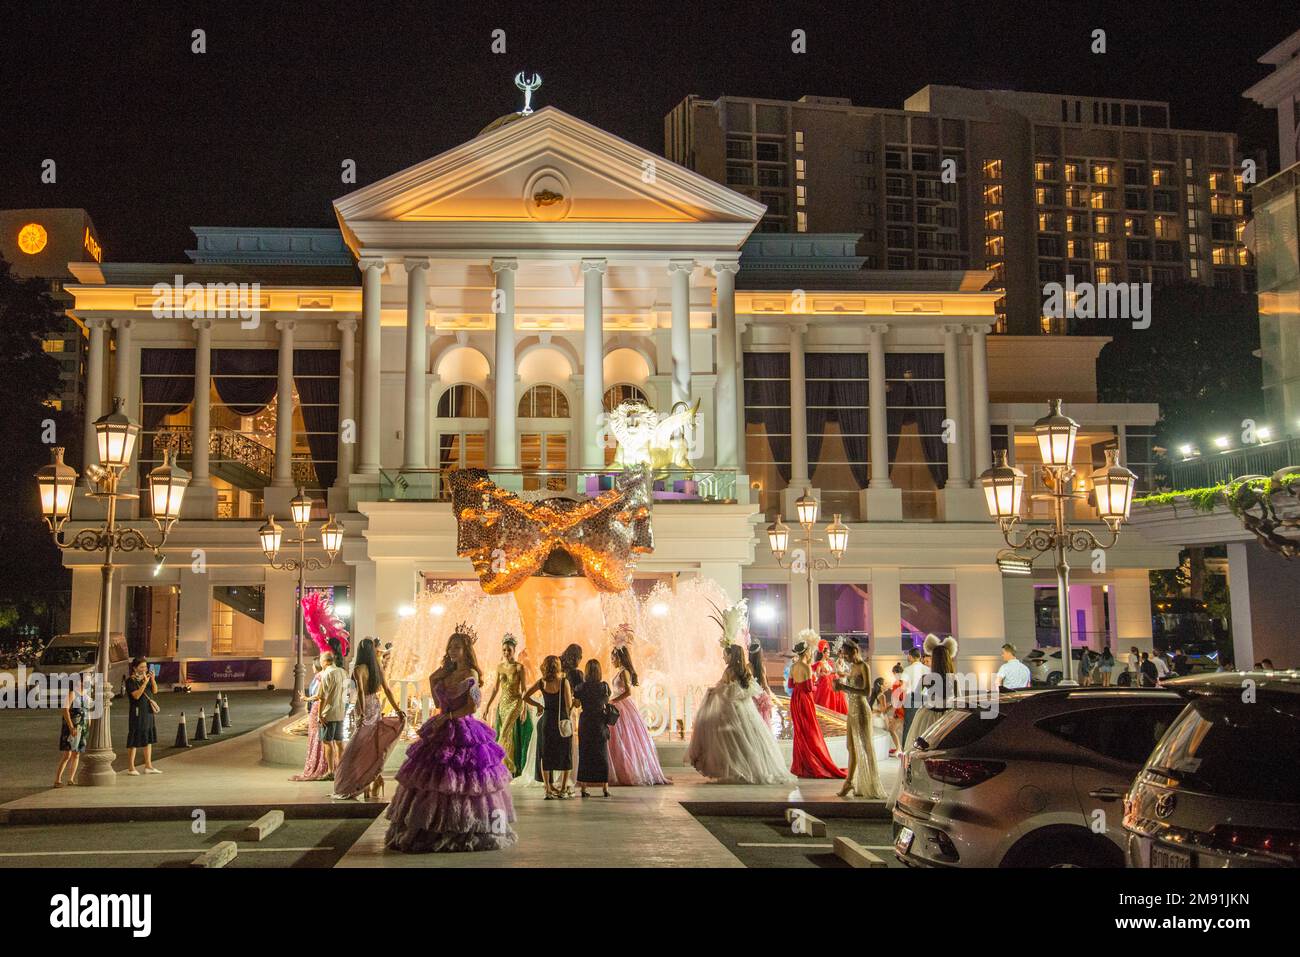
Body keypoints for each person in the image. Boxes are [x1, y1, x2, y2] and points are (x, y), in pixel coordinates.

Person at [385, 629, 517, 852]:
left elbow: (472, 706)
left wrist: (447, 716)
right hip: (441, 725)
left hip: (462, 727)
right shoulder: (447, 671)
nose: (452, 651)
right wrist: (436, 678)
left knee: (463, 780)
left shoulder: (471, 673)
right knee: (433, 780)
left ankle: (464, 825)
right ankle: (431, 826)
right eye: (450, 647)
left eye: (456, 647)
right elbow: (438, 700)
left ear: (466, 650)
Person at [688, 644, 796, 785]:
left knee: (732, 743)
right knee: (748, 740)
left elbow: (724, 692)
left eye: (725, 654)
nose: (723, 657)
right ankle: (754, 768)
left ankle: (738, 769)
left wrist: (712, 691)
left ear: (732, 656)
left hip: (731, 711)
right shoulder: (744, 670)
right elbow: (750, 688)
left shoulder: (729, 671)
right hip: (746, 710)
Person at [332, 637, 404, 800]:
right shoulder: (376, 666)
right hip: (376, 707)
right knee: (372, 746)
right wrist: (398, 710)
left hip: (365, 709)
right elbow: (387, 690)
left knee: (357, 749)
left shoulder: (358, 669)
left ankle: (367, 783)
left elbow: (361, 694)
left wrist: (362, 713)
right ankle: (374, 781)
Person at [607, 643, 670, 786]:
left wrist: (613, 700)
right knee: (620, 738)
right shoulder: (620, 671)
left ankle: (629, 770)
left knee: (626, 737)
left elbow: (628, 692)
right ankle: (620, 768)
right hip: (619, 705)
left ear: (619, 657)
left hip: (623, 707)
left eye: (613, 658)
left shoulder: (624, 672)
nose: (612, 661)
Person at [833, 638, 884, 798]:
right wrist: (841, 688)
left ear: (855, 651)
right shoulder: (853, 667)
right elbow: (851, 689)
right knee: (850, 745)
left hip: (861, 709)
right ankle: (851, 781)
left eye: (847, 655)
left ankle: (865, 782)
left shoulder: (864, 667)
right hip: (852, 709)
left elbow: (867, 692)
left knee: (865, 745)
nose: (845, 658)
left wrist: (844, 687)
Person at [788, 640, 845, 779]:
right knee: (811, 730)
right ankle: (814, 762)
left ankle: (801, 765)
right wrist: (814, 684)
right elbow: (809, 688)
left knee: (799, 732)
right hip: (805, 700)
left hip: (795, 699)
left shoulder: (793, 667)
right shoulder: (807, 667)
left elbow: (790, 685)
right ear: (806, 652)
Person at [524, 655, 575, 799]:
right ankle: (563, 789)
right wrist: (574, 705)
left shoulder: (541, 683)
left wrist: (539, 705)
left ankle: (547, 789)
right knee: (566, 754)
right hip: (561, 722)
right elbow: (567, 705)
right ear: (558, 666)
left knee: (546, 755)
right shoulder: (563, 682)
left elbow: (525, 696)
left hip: (546, 722)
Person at [483, 634, 532, 776]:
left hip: (515, 703)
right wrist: (487, 705)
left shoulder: (519, 668)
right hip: (503, 704)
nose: (506, 652)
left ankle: (508, 765)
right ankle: (506, 765)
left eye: (509, 650)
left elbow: (524, 690)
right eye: (504, 650)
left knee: (503, 733)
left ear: (514, 650)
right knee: (507, 735)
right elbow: (495, 688)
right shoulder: (499, 667)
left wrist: (523, 708)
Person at [573, 659, 612, 798]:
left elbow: (576, 705)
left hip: (586, 722)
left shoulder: (580, 687)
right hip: (599, 722)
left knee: (585, 754)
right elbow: (606, 701)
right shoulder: (604, 687)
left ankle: (583, 788)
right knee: (602, 754)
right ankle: (605, 788)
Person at [308, 651, 347, 778]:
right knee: (339, 742)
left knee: (327, 741)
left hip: (328, 713)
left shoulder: (327, 674)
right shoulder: (343, 672)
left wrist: (319, 715)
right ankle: (342, 769)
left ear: (324, 662)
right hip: (340, 712)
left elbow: (321, 697)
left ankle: (331, 770)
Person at [290, 659, 330, 782]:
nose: (312, 667)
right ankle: (324, 764)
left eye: (313, 665)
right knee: (320, 737)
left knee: (316, 736)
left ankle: (319, 765)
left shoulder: (319, 677)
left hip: (317, 708)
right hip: (320, 708)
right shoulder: (324, 675)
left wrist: (305, 698)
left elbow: (319, 695)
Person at [125, 657, 161, 775]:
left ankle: (148, 765)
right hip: (137, 711)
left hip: (148, 711)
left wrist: (152, 680)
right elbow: (136, 695)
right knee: (135, 737)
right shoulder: (131, 680)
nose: (144, 669)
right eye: (141, 667)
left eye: (145, 667)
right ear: (135, 668)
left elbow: (155, 691)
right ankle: (131, 767)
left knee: (148, 736)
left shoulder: (147, 678)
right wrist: (145, 682)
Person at [55, 679, 89, 787]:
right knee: (67, 754)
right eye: (85, 681)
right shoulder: (72, 693)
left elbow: (88, 712)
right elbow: (65, 710)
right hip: (71, 728)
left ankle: (71, 779)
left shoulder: (86, 695)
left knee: (77, 753)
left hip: (81, 727)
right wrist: (70, 727)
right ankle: (58, 779)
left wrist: (88, 725)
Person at [900, 647, 930, 741]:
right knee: (923, 726)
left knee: (909, 726)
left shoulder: (907, 669)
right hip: (925, 699)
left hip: (911, 699)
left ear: (910, 656)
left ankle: (906, 750)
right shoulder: (928, 669)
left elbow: (903, 687)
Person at [812, 640, 848, 714]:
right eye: (827, 653)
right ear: (823, 653)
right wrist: (825, 674)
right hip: (825, 685)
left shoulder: (829, 662)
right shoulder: (820, 663)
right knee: (827, 696)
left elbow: (833, 672)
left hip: (832, 684)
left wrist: (833, 673)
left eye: (829, 652)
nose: (829, 654)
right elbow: (817, 674)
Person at [748, 640, 776, 729]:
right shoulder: (761, 667)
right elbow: (765, 686)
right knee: (763, 724)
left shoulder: (747, 667)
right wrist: (769, 701)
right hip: (760, 698)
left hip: (750, 698)